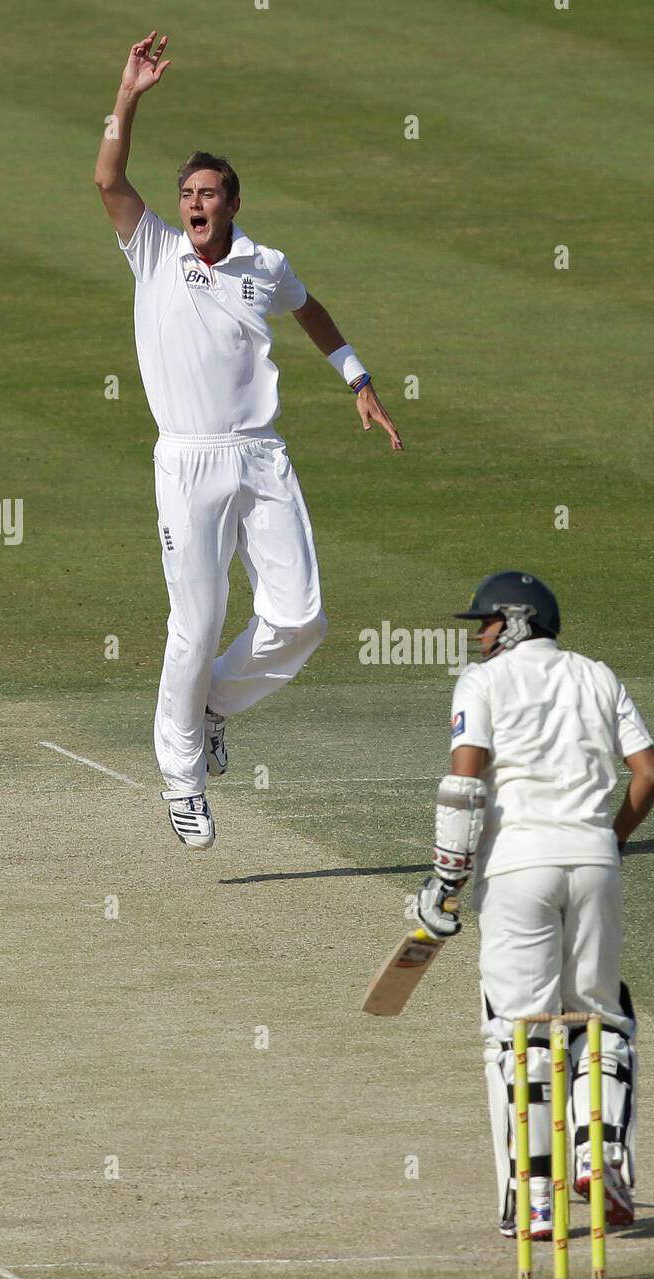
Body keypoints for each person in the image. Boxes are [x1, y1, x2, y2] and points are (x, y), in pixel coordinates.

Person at [94, 31, 402, 849]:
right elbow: (107, 177)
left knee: (302, 618)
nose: (193, 202)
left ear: (232, 203)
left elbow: (309, 310)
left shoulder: (265, 264)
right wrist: (127, 95)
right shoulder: (153, 248)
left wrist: (357, 377)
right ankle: (180, 777)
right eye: (186, 192)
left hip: (261, 455)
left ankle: (212, 707)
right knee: (195, 623)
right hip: (187, 459)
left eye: (208, 193)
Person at [414, 571, 654, 1235]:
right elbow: (649, 774)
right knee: (600, 1018)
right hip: (593, 865)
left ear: (514, 622)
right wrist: (606, 843)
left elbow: (464, 784)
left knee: (515, 1031)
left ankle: (533, 1196)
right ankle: (602, 1156)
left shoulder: (483, 683)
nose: (479, 636)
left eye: (484, 624)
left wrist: (445, 881)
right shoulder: (597, 675)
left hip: (517, 869)